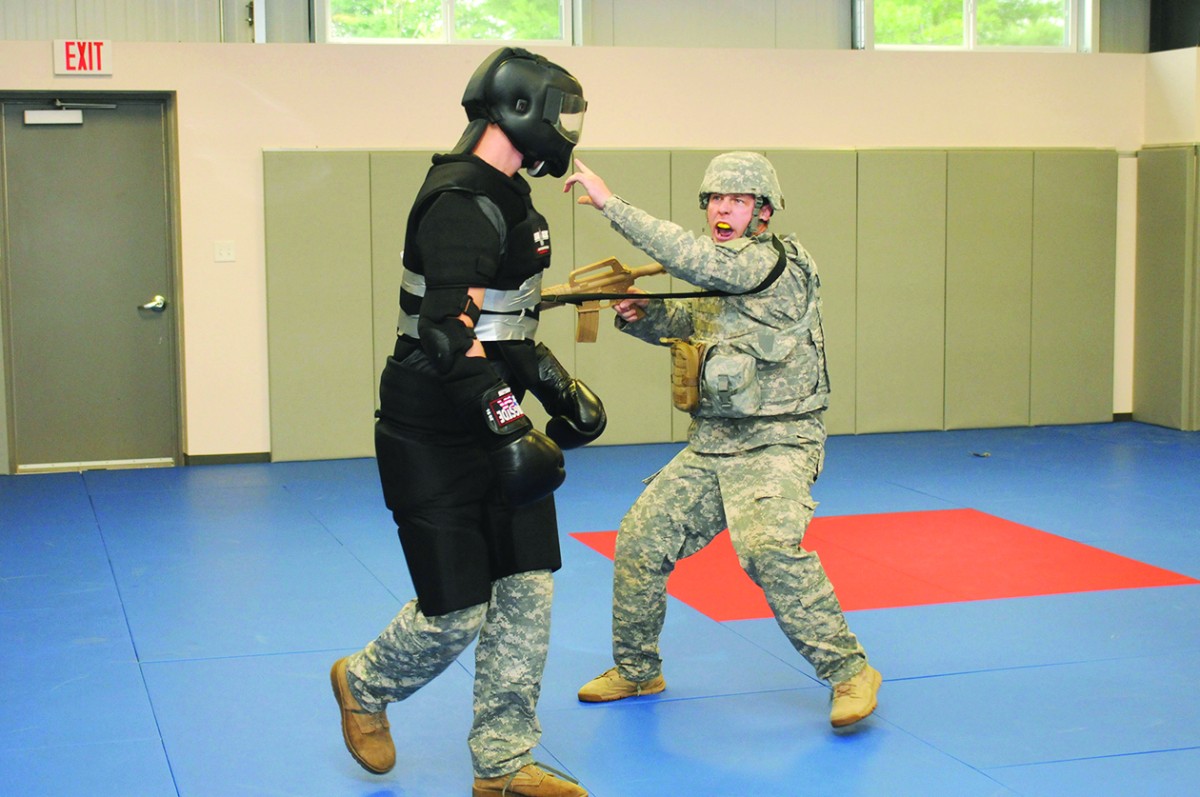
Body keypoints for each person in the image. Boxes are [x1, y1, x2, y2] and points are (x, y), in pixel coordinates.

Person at [330, 47, 604, 797]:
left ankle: (503, 762)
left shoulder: (513, 198)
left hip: (490, 413)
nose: (568, 130)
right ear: (521, 109)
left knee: (527, 589)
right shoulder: (458, 200)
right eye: (562, 113)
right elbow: (449, 333)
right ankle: (363, 682)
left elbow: (506, 323)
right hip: (433, 429)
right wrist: (508, 424)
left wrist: (556, 389)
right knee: (454, 612)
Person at [563, 151, 881, 729]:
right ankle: (637, 669)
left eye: (736, 201)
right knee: (639, 538)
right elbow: (694, 323)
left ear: (762, 212)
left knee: (767, 551)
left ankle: (849, 671)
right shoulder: (725, 269)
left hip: (779, 440)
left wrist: (611, 205)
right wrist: (640, 317)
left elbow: (692, 259)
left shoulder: (770, 264)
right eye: (714, 200)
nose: (721, 210)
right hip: (714, 441)